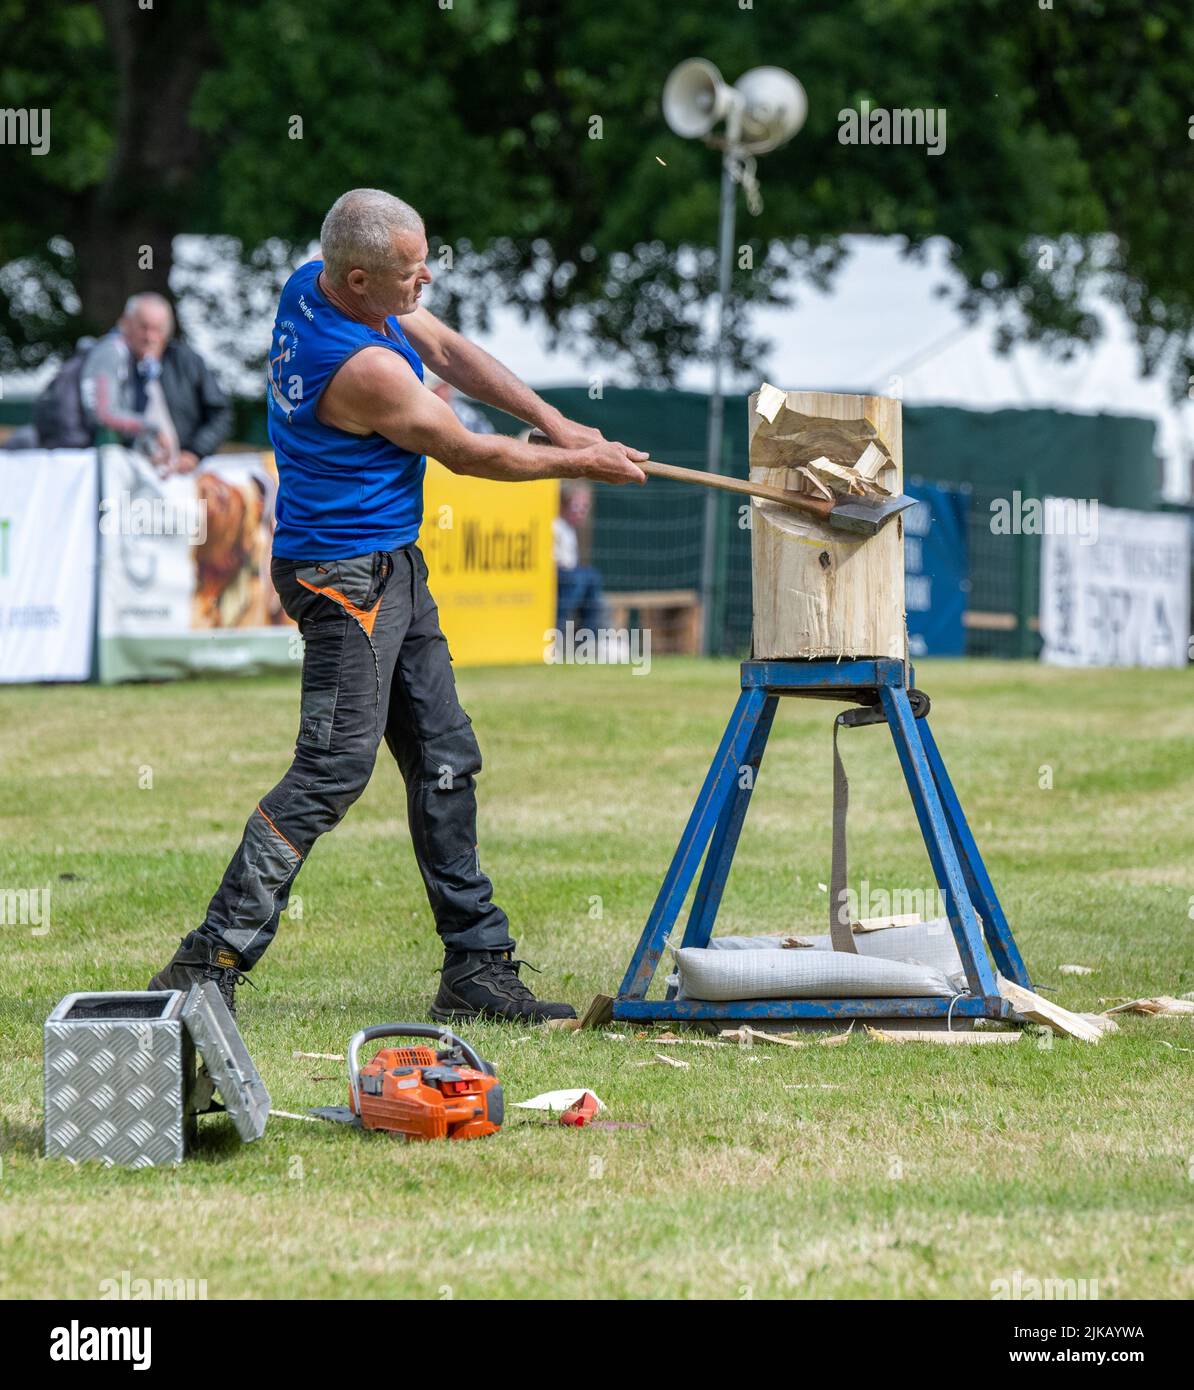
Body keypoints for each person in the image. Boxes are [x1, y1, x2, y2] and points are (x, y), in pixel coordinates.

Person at [149, 188, 648, 1023]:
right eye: (412, 276)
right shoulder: (363, 370)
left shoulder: (317, 282)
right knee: (332, 771)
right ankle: (204, 968)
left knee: (447, 757)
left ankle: (476, 970)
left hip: (391, 567)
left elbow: (448, 349)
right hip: (342, 581)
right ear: (358, 280)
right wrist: (581, 467)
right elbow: (463, 450)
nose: (425, 286)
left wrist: (561, 424)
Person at [80, 293, 232, 471]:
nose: (150, 337)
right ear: (126, 324)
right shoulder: (116, 357)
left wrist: (194, 453)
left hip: (184, 475)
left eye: (157, 329)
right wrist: (151, 430)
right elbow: (106, 414)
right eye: (143, 327)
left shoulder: (186, 361)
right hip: (134, 472)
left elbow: (220, 413)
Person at [554, 480, 610, 633]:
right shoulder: (555, 526)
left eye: (586, 507)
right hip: (557, 576)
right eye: (577, 506)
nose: (582, 512)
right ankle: (557, 629)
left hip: (569, 574)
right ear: (564, 504)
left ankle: (589, 635)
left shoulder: (569, 529)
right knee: (580, 579)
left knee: (591, 577)